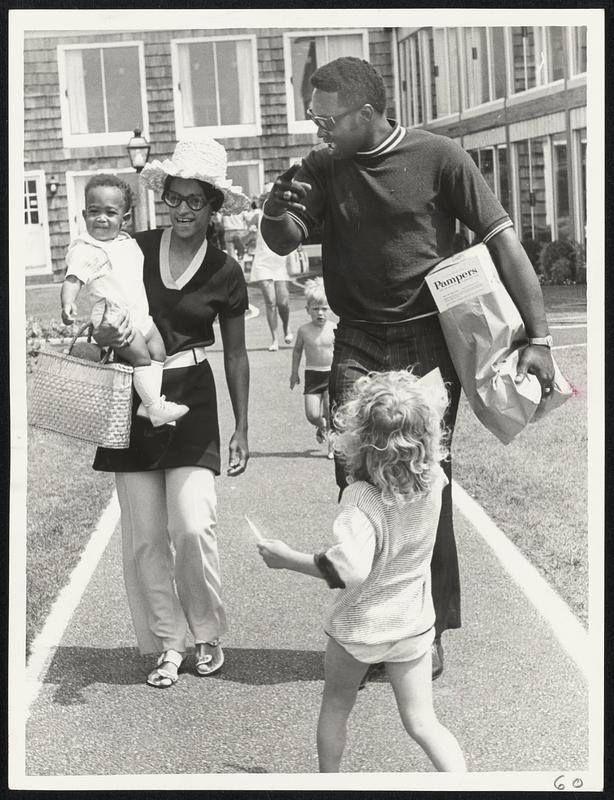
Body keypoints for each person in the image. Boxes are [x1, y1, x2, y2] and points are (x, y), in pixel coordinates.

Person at [260, 56, 555, 680]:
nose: (319, 131)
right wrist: (272, 212)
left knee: (424, 485)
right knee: (356, 488)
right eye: (314, 118)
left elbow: (503, 240)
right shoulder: (322, 165)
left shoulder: (439, 156)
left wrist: (541, 336)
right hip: (358, 342)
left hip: (427, 342)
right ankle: (372, 625)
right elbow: (286, 239)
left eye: (327, 119)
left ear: (367, 114)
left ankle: (429, 627)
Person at [91, 138, 251, 688]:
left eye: (195, 201)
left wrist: (243, 428)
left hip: (193, 394)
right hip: (130, 392)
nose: (183, 210)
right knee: (144, 537)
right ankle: (168, 642)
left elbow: (235, 353)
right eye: (175, 199)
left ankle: (205, 631)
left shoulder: (227, 272)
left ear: (214, 207)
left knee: (192, 524)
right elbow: (102, 310)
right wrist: (102, 330)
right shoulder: (134, 247)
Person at [257, 369, 467, 773]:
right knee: (423, 722)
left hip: (360, 629)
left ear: (359, 439)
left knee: (336, 707)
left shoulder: (360, 500)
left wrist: (287, 558)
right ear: (427, 435)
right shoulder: (436, 481)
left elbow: (349, 567)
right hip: (413, 625)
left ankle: (330, 783)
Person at [61, 174, 189, 427]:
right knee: (141, 357)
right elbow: (73, 279)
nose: (101, 218)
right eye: (94, 211)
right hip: (114, 318)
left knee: (159, 351)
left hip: (140, 314)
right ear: (85, 214)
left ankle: (148, 405)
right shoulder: (87, 249)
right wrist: (68, 303)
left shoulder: (126, 242)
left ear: (125, 219)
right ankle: (155, 408)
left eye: (110, 212)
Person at [290, 277, 335, 457]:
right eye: (316, 309)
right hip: (313, 374)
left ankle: (333, 445)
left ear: (330, 310)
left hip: (331, 373)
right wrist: (294, 373)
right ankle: (321, 425)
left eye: (324, 309)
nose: (320, 313)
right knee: (312, 414)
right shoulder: (304, 330)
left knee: (330, 411)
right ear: (307, 310)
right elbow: (297, 351)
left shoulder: (334, 328)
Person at [249, 184, 298, 351]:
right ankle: (274, 339)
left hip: (279, 261)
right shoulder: (258, 215)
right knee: (270, 302)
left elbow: (293, 236)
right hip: (262, 262)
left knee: (283, 303)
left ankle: (286, 327)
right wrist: (247, 239)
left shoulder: (285, 215)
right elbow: (248, 233)